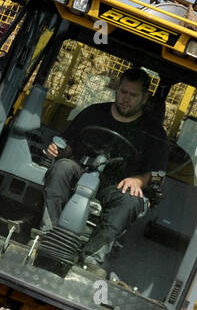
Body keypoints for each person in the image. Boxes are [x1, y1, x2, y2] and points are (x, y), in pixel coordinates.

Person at [40, 67, 169, 277]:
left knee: (130, 201)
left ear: (145, 98)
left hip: (117, 187)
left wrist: (139, 180)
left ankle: (91, 258)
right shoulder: (94, 113)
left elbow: (159, 176)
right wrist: (60, 150)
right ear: (117, 90)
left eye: (133, 95)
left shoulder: (154, 132)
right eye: (122, 92)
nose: (125, 99)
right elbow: (69, 142)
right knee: (62, 167)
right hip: (82, 173)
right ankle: (48, 234)